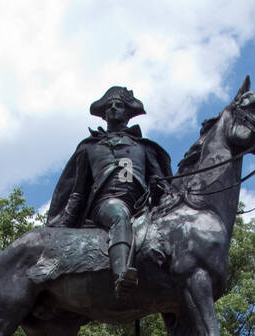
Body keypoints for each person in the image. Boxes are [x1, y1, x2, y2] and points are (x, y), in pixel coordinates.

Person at [46, 86, 173, 296]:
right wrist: (62, 225)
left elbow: (161, 182)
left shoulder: (144, 147)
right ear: (104, 114)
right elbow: (77, 190)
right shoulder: (89, 147)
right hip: (105, 205)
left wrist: (162, 190)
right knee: (118, 214)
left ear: (128, 113)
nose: (113, 108)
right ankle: (121, 276)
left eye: (119, 105)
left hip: (143, 207)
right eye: (109, 106)